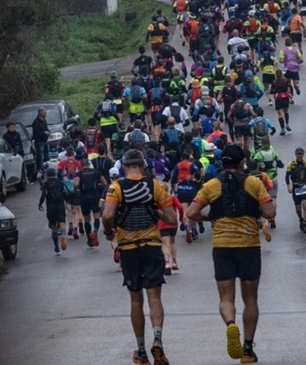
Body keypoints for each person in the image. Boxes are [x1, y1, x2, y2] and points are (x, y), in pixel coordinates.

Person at [186, 144, 276, 363]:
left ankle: (230, 324)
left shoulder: (211, 185)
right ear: (242, 163)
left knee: (226, 297)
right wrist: (256, 211)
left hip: (222, 245)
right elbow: (270, 212)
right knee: (251, 298)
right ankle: (247, 350)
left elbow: (191, 212)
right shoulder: (253, 182)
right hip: (249, 246)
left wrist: (211, 218)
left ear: (222, 163)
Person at [102, 150, 177, 365]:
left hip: (128, 249)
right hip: (152, 246)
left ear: (124, 167)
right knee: (155, 297)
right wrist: (156, 211)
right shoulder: (155, 186)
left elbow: (107, 215)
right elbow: (171, 219)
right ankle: (158, 340)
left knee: (136, 299)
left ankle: (142, 351)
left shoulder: (116, 188)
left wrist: (110, 232)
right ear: (143, 166)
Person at [75, 157, 108, 247]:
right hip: (95, 196)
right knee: (96, 216)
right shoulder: (96, 172)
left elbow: (76, 184)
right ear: (88, 164)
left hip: (84, 197)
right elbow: (105, 183)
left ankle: (89, 240)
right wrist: (98, 186)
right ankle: (95, 230)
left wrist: (76, 189)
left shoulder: (79, 173)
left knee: (86, 219)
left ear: (81, 165)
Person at [38, 168, 70, 255]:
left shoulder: (46, 184)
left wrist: (40, 204)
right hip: (60, 205)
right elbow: (66, 193)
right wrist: (67, 202)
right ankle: (62, 234)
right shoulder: (60, 182)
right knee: (62, 223)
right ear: (55, 174)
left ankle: (56, 247)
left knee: (53, 228)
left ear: (47, 175)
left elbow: (43, 194)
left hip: (51, 207)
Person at [284, 147, 306, 233]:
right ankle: (301, 219)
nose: (299, 156)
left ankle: (305, 223)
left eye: (301, 154)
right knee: (298, 208)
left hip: (304, 187)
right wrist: (288, 186)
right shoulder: (291, 164)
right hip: (296, 187)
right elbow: (287, 177)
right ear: (295, 155)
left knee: (305, 205)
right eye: (298, 154)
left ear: (303, 155)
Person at [158, 182, 184, 275]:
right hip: (173, 224)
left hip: (162, 224)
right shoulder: (172, 198)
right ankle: (174, 261)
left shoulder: (158, 200)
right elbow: (180, 207)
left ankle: (166, 264)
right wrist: (180, 218)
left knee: (165, 244)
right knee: (172, 242)